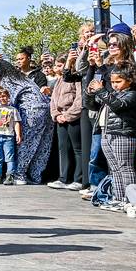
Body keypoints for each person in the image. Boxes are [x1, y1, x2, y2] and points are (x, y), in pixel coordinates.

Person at [84, 64, 136, 203]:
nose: (114, 85)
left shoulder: (132, 94)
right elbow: (92, 105)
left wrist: (101, 90)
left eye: (118, 81)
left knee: (125, 168)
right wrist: (90, 93)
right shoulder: (112, 94)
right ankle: (119, 198)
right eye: (113, 82)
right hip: (106, 132)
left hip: (123, 134)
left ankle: (132, 201)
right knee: (114, 169)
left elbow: (118, 105)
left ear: (130, 80)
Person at [0, 58, 52, 184]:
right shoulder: (21, 77)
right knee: (42, 145)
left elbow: (9, 101)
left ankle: (19, 175)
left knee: (26, 143)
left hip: (31, 111)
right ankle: (35, 175)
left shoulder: (7, 80)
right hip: (46, 108)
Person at [48, 61, 84, 190]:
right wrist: (56, 114)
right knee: (63, 148)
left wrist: (68, 115)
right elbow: (53, 99)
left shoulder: (76, 78)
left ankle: (78, 179)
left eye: (60, 65)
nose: (57, 68)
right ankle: (63, 178)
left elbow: (79, 98)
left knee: (77, 149)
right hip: (60, 117)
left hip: (73, 117)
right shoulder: (59, 80)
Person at [0, 88, 22, 184]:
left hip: (8, 136)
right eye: (0, 97)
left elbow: (16, 122)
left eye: (4, 96)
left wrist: (18, 134)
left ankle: (10, 176)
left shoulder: (13, 110)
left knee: (9, 157)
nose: (2, 98)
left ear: (8, 97)